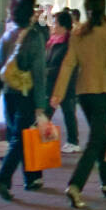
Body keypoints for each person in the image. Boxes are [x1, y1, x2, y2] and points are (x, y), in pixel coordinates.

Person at [51, 0, 106, 208]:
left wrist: (59, 93)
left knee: (101, 137)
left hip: (82, 93)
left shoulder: (78, 33)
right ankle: (75, 185)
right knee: (96, 139)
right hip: (103, 91)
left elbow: (68, 64)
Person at [0, 0, 49, 200]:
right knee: (20, 139)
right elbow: (39, 73)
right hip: (26, 94)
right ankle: (3, 179)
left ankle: (32, 178)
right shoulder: (34, 37)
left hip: (8, 94)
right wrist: (40, 104)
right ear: (30, 14)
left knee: (22, 136)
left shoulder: (7, 35)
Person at [44, 9, 82, 153]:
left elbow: (66, 67)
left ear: (63, 26)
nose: (52, 26)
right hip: (51, 84)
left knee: (67, 113)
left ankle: (73, 141)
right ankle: (46, 140)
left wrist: (46, 72)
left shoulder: (69, 44)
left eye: (55, 23)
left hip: (65, 85)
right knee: (48, 114)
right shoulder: (52, 42)